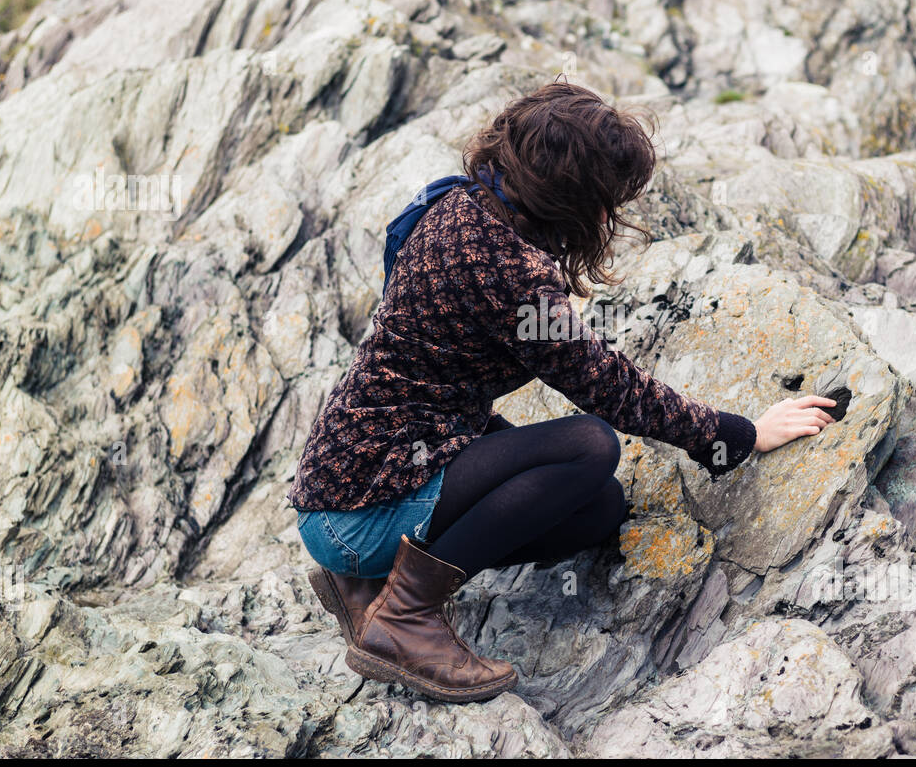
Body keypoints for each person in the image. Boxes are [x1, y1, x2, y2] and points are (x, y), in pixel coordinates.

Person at [287, 79, 836, 702]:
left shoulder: (460, 204)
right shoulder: (509, 271)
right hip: (360, 506)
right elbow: (608, 386)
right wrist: (737, 435)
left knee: (597, 511)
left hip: (362, 478)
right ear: (575, 197)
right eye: (608, 198)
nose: (611, 216)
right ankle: (405, 617)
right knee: (588, 447)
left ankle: (363, 585)